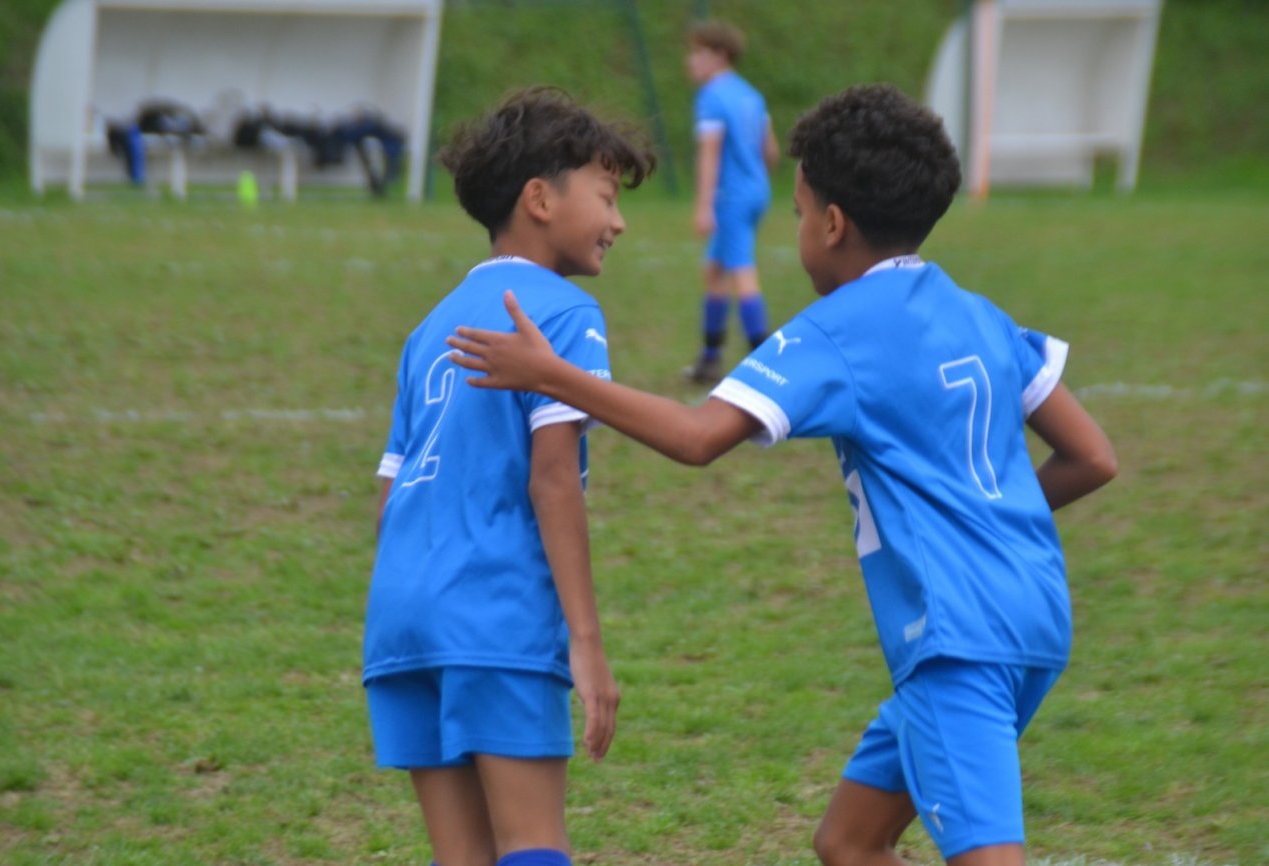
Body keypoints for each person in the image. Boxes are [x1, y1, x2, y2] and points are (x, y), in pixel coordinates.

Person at [446, 84, 1117, 866]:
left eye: (798, 214)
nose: (797, 230)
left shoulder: (838, 331)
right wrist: (989, 512)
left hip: (957, 639)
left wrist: (553, 375)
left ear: (833, 224)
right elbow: (1093, 456)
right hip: (1035, 613)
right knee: (849, 841)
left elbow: (698, 438)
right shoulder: (979, 311)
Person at [363, 87, 655, 866]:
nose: (618, 222)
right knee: (531, 847)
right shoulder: (561, 313)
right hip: (495, 615)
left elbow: (389, 496)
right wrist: (587, 646)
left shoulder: (431, 326)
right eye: (606, 197)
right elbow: (552, 480)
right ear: (539, 198)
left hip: (402, 619)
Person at [683, 20, 781, 384]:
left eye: (698, 53)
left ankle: (765, 362)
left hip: (732, 197)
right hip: (756, 191)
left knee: (742, 273)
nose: (691, 61)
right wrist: (756, 180)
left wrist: (704, 204)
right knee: (715, 270)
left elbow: (710, 153)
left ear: (719, 56)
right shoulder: (751, 95)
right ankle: (710, 359)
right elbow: (770, 150)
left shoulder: (712, 96)